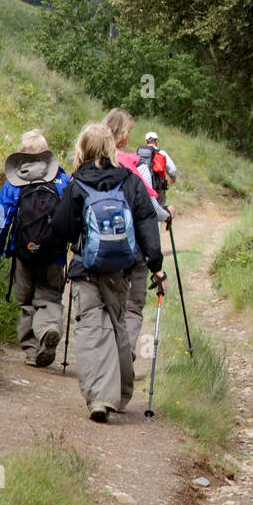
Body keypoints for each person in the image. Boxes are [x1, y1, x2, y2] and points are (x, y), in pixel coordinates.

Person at [51, 122, 165, 422]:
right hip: (119, 270)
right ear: (111, 148)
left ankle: (99, 397)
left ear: (83, 148)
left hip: (86, 268)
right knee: (117, 325)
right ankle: (120, 393)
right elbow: (146, 222)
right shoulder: (130, 181)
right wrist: (156, 266)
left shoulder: (77, 182)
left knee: (91, 327)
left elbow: (62, 229)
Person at [0, 129, 71, 368]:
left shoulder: (14, 184)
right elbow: (73, 215)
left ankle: (33, 351)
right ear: (45, 155)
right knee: (50, 297)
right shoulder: (62, 180)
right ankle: (49, 329)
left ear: (20, 156)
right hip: (53, 255)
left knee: (26, 302)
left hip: (22, 254)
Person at [102, 108, 171, 358]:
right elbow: (148, 212)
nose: (130, 136)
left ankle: (107, 353)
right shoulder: (135, 166)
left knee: (106, 305)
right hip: (135, 251)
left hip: (99, 249)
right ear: (121, 133)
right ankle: (125, 351)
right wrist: (167, 214)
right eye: (128, 131)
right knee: (132, 306)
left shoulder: (91, 162)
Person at [136, 132, 178, 206]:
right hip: (157, 188)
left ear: (146, 141)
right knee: (159, 209)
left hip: (142, 188)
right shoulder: (161, 153)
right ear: (156, 142)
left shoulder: (139, 152)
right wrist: (173, 178)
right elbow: (173, 170)